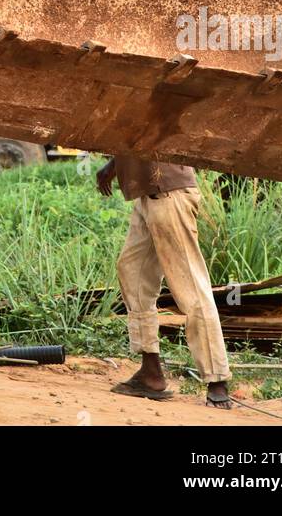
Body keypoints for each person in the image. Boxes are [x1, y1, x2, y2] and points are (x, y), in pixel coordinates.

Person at [97, 152, 232, 409]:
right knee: (133, 273)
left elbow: (153, 134)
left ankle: (217, 381)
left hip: (169, 194)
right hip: (148, 196)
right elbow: (133, 140)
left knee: (190, 287)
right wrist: (113, 165)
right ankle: (151, 373)